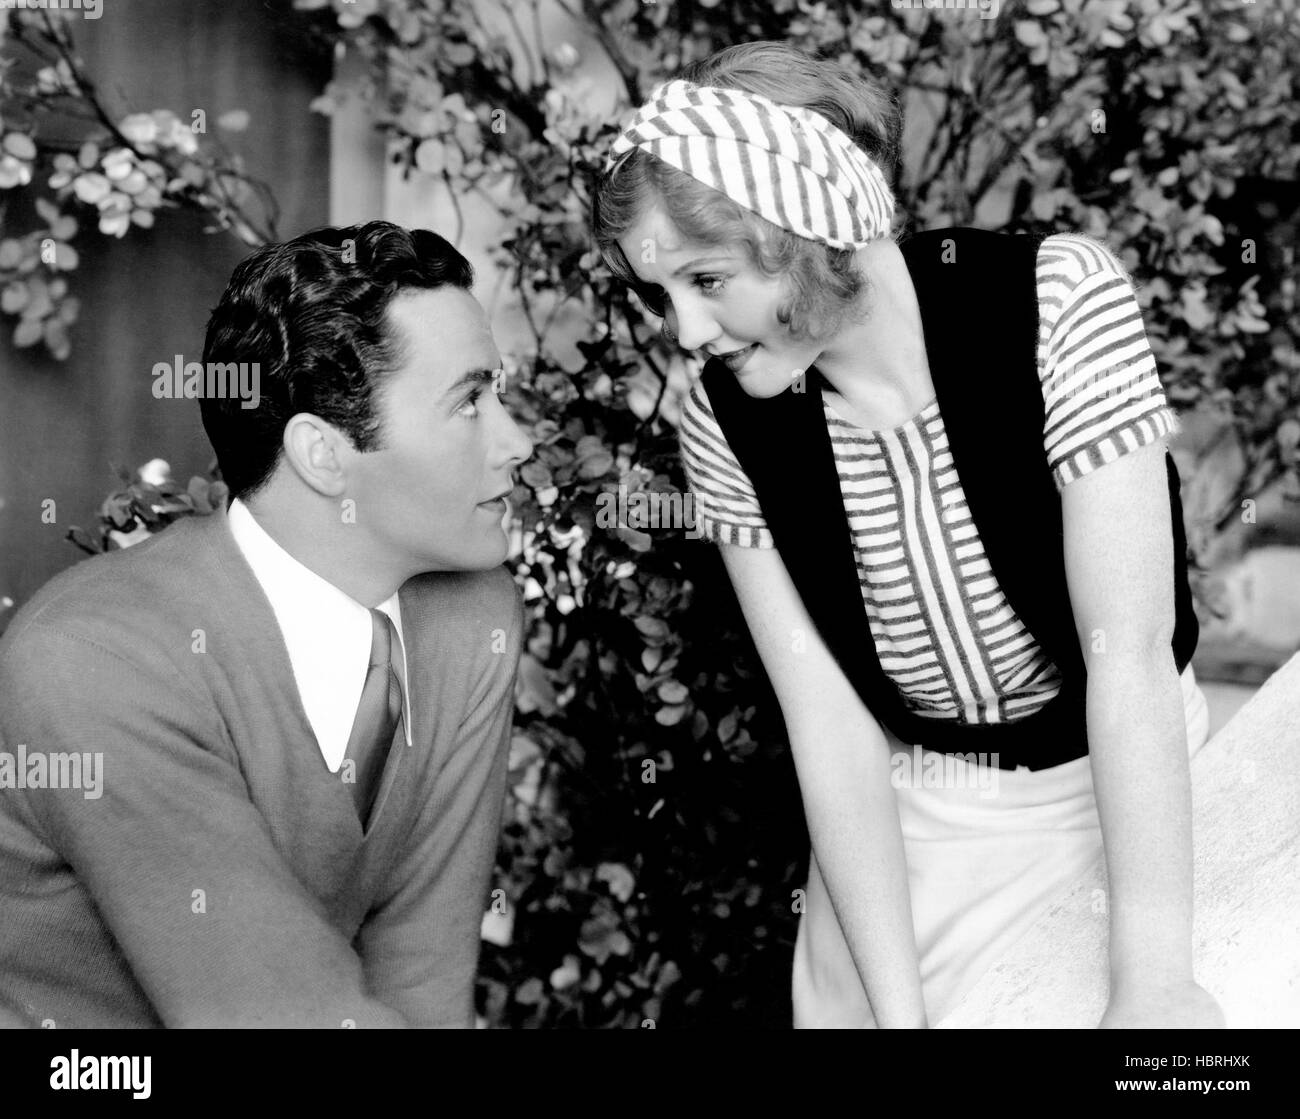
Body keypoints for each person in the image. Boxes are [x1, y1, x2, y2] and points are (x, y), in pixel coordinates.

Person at [593, 42, 1224, 1029]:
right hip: (914, 826)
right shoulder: (720, 418)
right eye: (660, 294)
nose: (686, 332)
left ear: (806, 227)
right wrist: (897, 1015)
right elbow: (832, 729)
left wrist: (1150, 978)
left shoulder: (1058, 300)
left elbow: (1129, 660)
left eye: (706, 278)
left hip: (1128, 793)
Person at [0, 221, 534, 1027]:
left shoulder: (472, 617)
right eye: (468, 402)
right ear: (322, 455)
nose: (518, 441)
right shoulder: (93, 660)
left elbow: (423, 979)